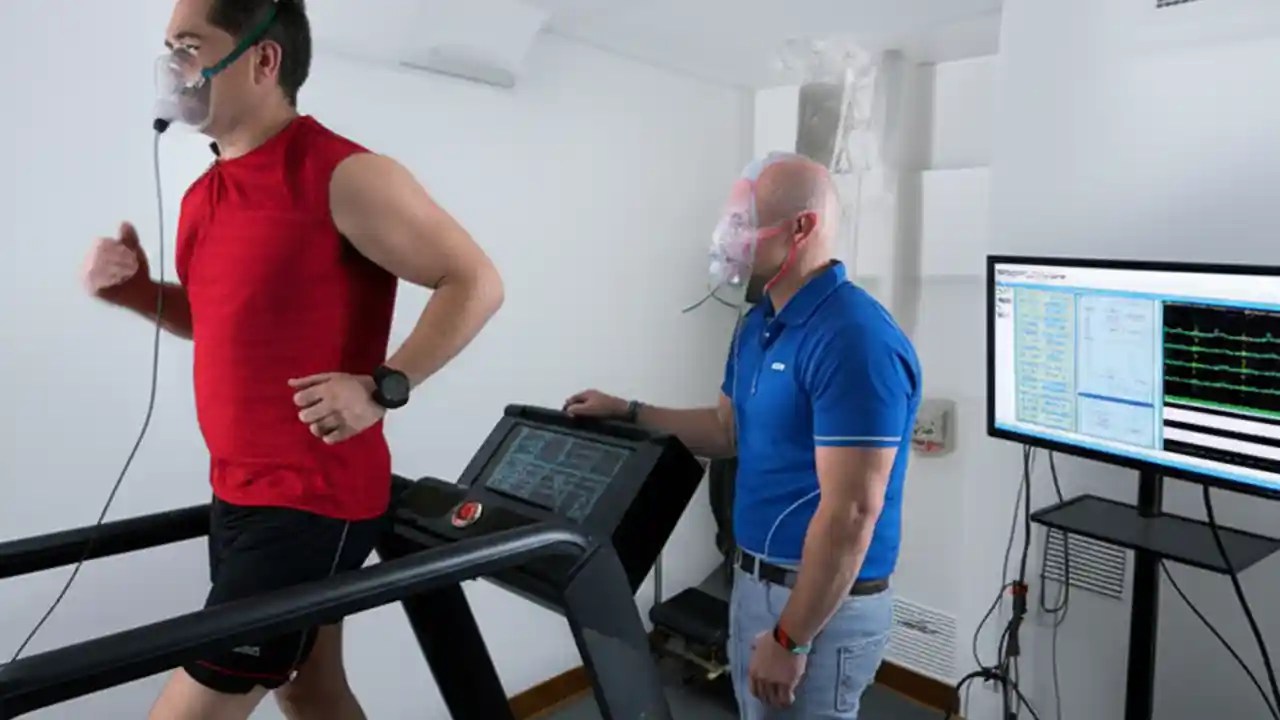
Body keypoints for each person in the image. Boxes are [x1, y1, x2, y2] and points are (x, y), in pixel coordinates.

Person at [80, 0, 504, 718]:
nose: (173, 69)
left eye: (189, 47)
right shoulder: (201, 196)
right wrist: (137, 294)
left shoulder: (342, 174)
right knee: (312, 689)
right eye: (170, 49)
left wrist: (384, 385)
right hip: (237, 491)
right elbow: (220, 322)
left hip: (311, 499)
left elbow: (476, 282)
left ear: (262, 59)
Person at [566, 152, 921, 719]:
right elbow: (725, 429)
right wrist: (627, 411)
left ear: (800, 227)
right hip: (753, 582)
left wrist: (792, 638)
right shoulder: (758, 325)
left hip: (819, 605)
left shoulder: (854, 339)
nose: (727, 238)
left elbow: (852, 511)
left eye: (741, 222)